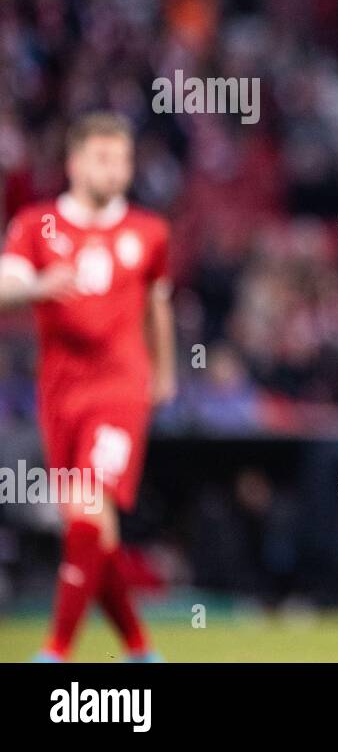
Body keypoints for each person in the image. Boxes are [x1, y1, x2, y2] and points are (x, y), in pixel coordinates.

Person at [0, 112, 175, 661]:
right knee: (96, 532)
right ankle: (141, 651)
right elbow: (6, 283)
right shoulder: (37, 224)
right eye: (103, 158)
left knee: (84, 508)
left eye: (122, 159)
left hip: (120, 390)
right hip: (59, 394)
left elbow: (157, 307)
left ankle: (55, 651)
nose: (116, 170)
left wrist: (165, 373)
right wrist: (35, 286)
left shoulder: (149, 232)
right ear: (75, 163)